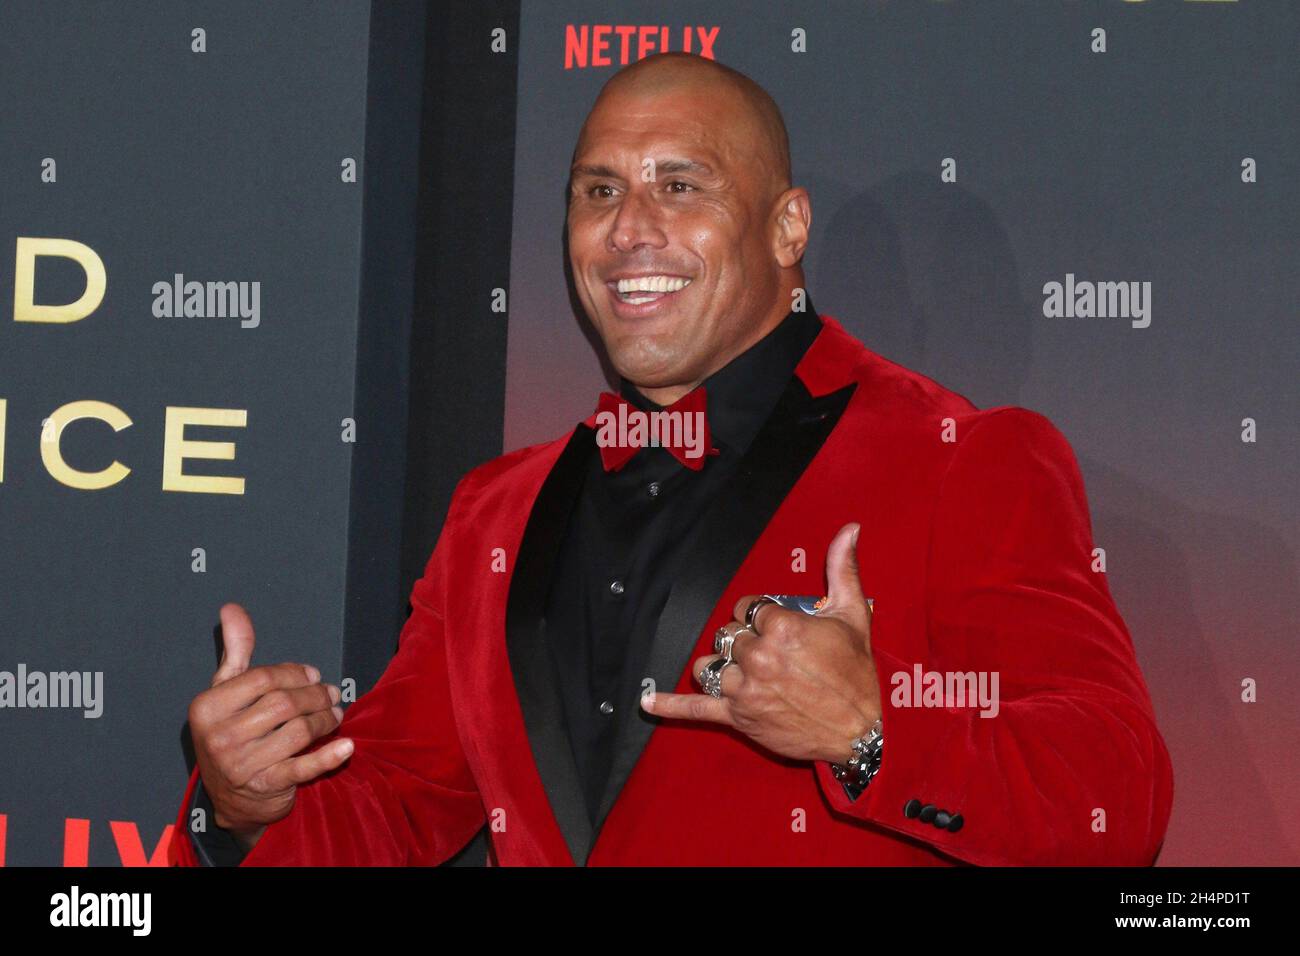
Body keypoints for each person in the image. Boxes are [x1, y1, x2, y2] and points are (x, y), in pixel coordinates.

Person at [170, 52, 1173, 867]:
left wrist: (872, 730)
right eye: (597, 190)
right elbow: (391, 808)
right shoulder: (497, 511)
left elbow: (1113, 801)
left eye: (678, 186)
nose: (626, 229)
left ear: (786, 228)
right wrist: (245, 802)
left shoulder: (962, 457)